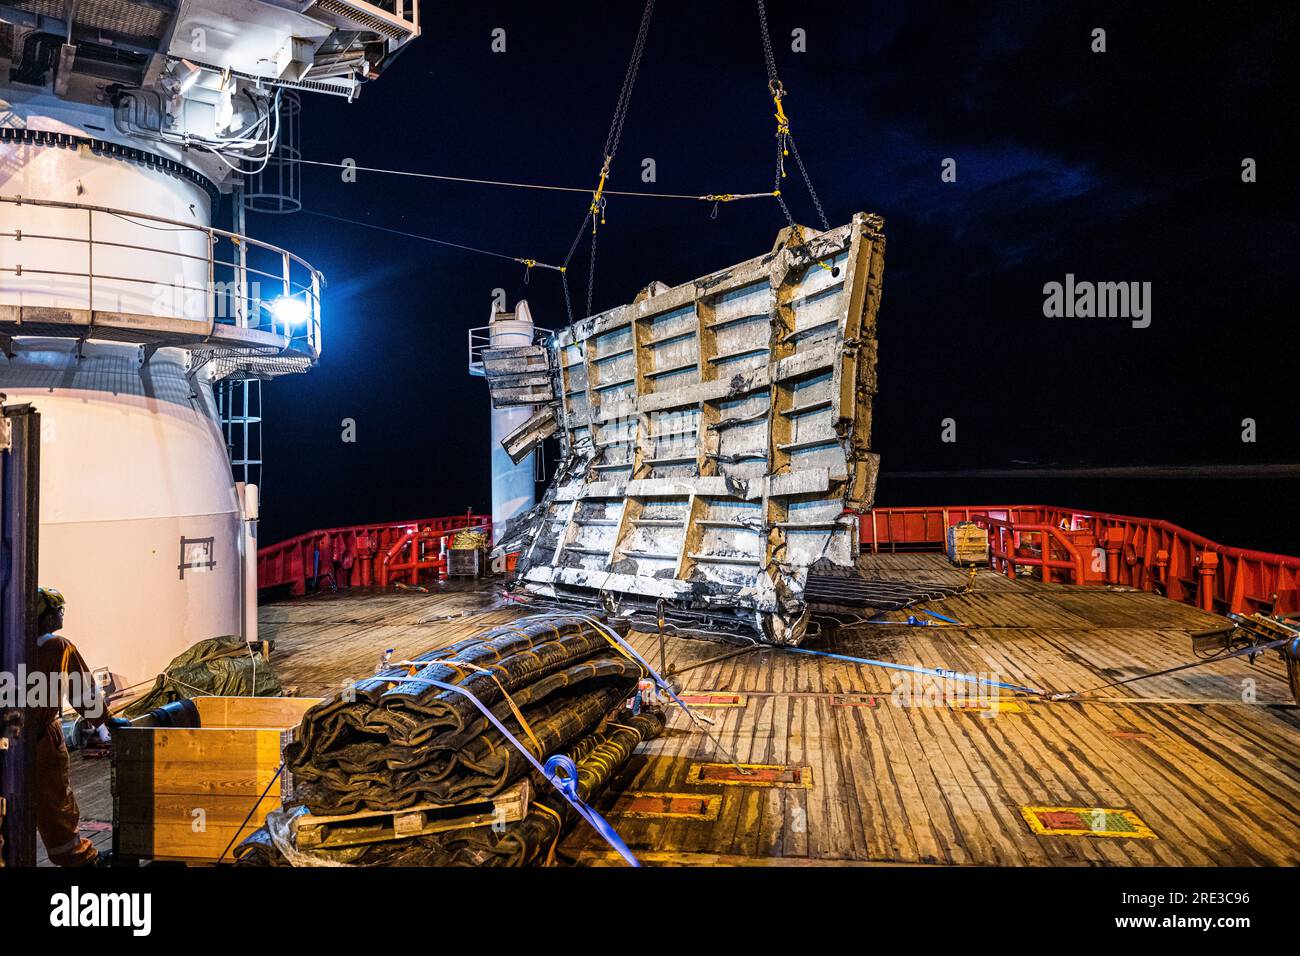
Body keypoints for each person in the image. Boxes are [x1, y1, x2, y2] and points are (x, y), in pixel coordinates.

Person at [32, 587, 107, 866]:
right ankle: (78, 858)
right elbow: (82, 692)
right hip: (42, 741)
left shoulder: (10, 643)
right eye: (58, 610)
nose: (62, 615)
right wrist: (106, 722)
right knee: (55, 805)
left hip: (8, 736)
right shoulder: (58, 647)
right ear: (47, 617)